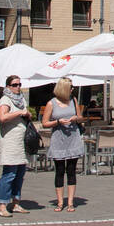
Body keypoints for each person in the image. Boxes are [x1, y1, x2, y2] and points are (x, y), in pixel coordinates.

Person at [42, 77, 84, 212]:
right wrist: (58, 122)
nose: (73, 89)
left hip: (73, 138)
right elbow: (44, 123)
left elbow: (80, 117)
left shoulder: (74, 100)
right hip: (59, 139)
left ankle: (70, 202)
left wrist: (76, 118)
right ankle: (60, 202)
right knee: (59, 171)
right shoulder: (51, 103)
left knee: (71, 170)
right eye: (71, 87)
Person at [0, 76, 31, 218]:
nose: (17, 87)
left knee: (20, 174)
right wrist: (19, 112)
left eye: (19, 84)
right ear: (8, 86)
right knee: (9, 174)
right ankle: (2, 205)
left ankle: (15, 202)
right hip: (10, 141)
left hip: (20, 141)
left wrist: (27, 114)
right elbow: (2, 117)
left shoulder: (21, 99)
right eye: (14, 84)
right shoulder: (5, 100)